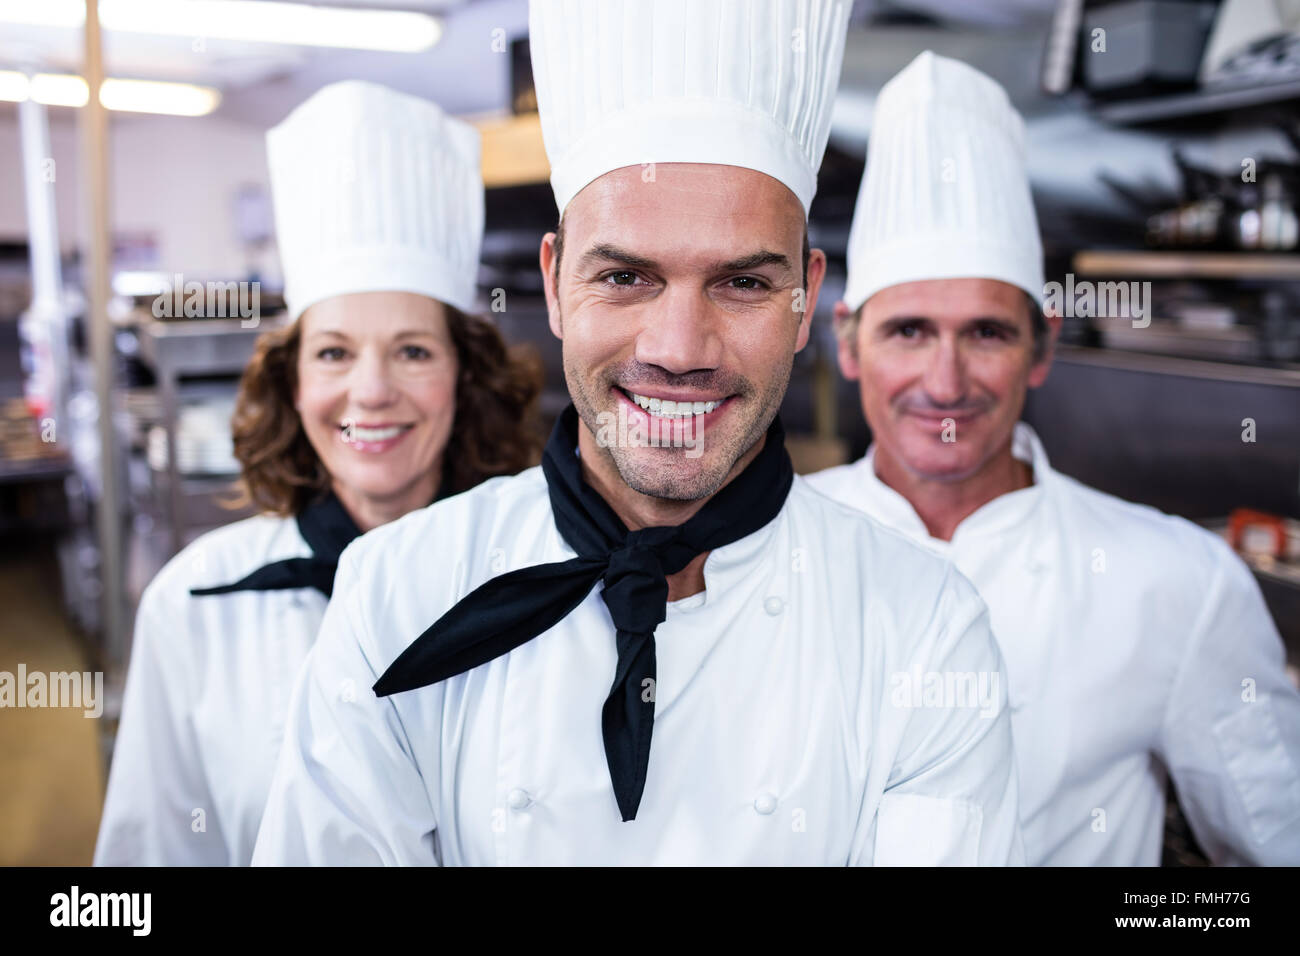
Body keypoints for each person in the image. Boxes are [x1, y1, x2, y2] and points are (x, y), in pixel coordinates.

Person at [252, 0, 1023, 867]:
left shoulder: (924, 625)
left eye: (741, 283)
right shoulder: (393, 594)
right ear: (552, 283)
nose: (678, 350)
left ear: (808, 296)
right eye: (624, 276)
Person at [806, 50, 1300, 866]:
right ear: (848, 342)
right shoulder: (757, 555)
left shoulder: (1176, 581)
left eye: (987, 333)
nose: (946, 380)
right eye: (909, 331)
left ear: (1042, 348)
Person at [94, 81, 542, 866]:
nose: (370, 391)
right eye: (334, 352)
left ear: (463, 378)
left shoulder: (546, 585)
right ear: (292, 382)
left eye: (412, 351)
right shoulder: (193, 606)